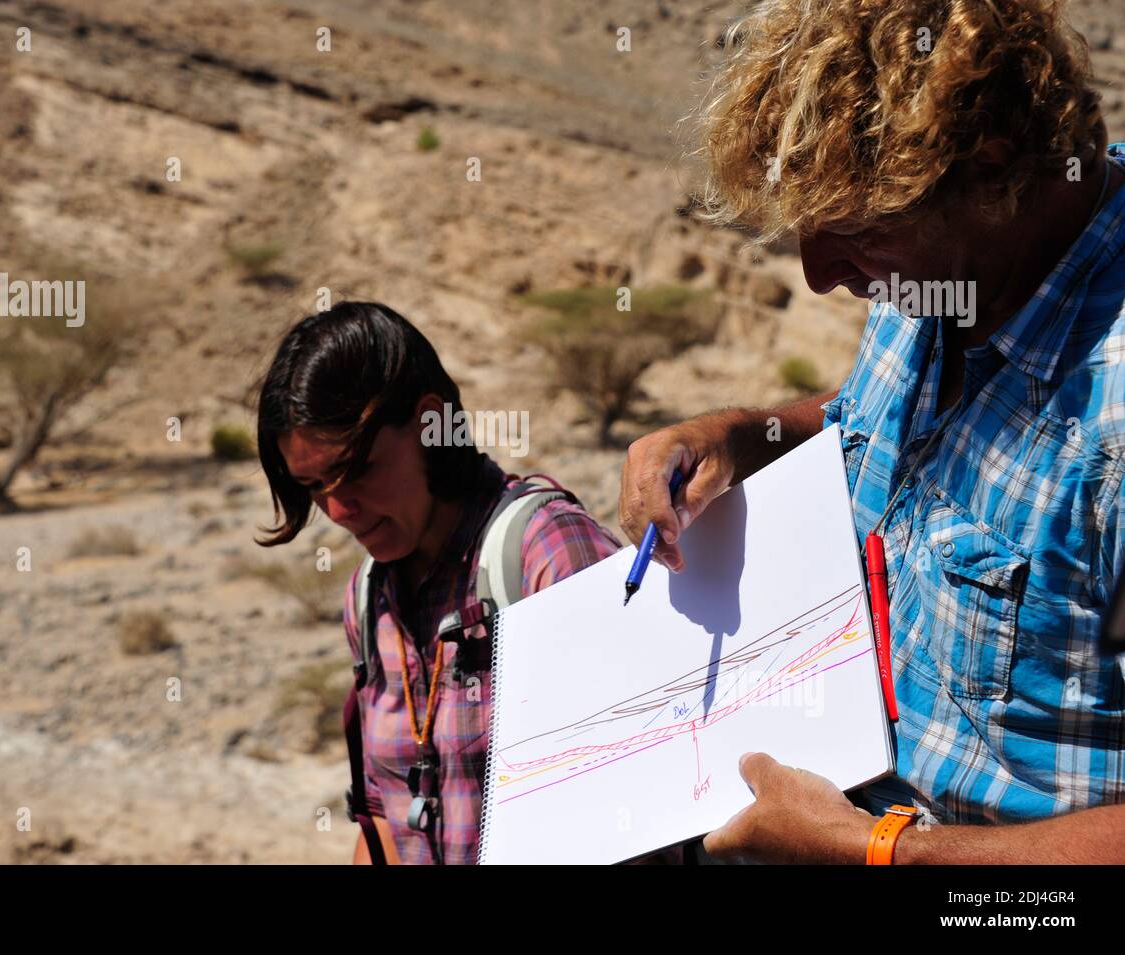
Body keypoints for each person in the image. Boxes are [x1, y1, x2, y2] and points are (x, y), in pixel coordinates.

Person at [621, 0, 1125, 862]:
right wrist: (749, 434)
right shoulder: (952, 267)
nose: (819, 277)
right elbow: (877, 417)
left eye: (855, 233)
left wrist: (876, 849)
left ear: (991, 170)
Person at [255, 301, 620, 864]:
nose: (337, 508)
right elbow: (381, 814)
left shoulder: (546, 555)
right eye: (313, 485)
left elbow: (632, 802)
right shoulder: (367, 598)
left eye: (353, 471)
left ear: (430, 424)